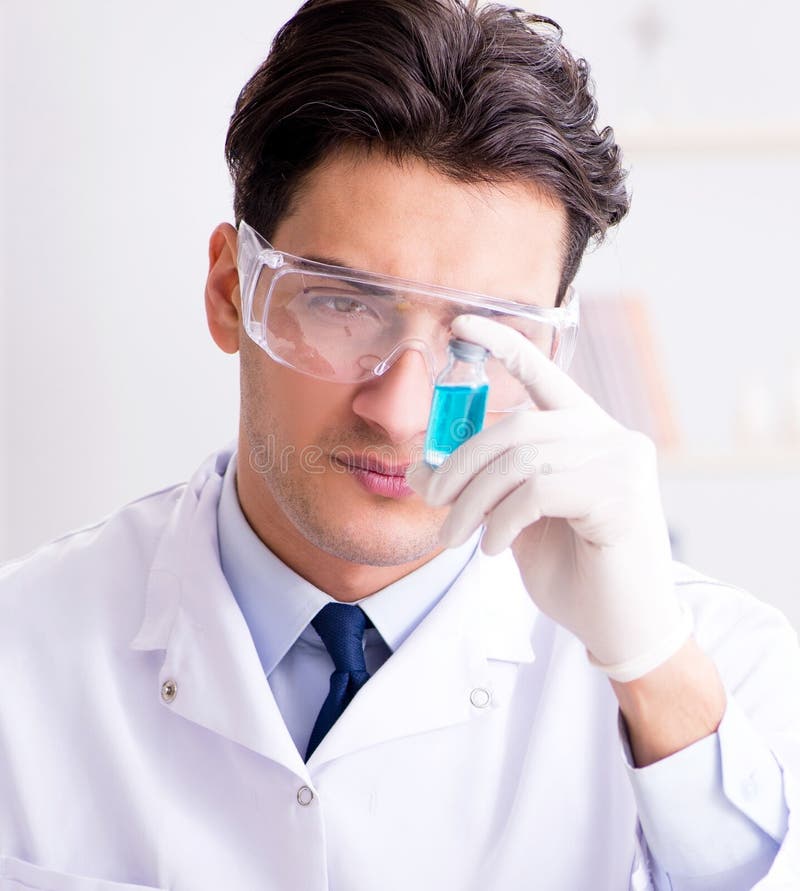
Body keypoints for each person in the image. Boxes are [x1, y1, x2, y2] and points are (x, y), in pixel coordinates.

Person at [0, 1, 798, 889]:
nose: (402, 411)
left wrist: (651, 670)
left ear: (549, 356)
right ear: (232, 292)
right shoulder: (21, 655)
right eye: (344, 303)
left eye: (482, 336)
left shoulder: (719, 679)